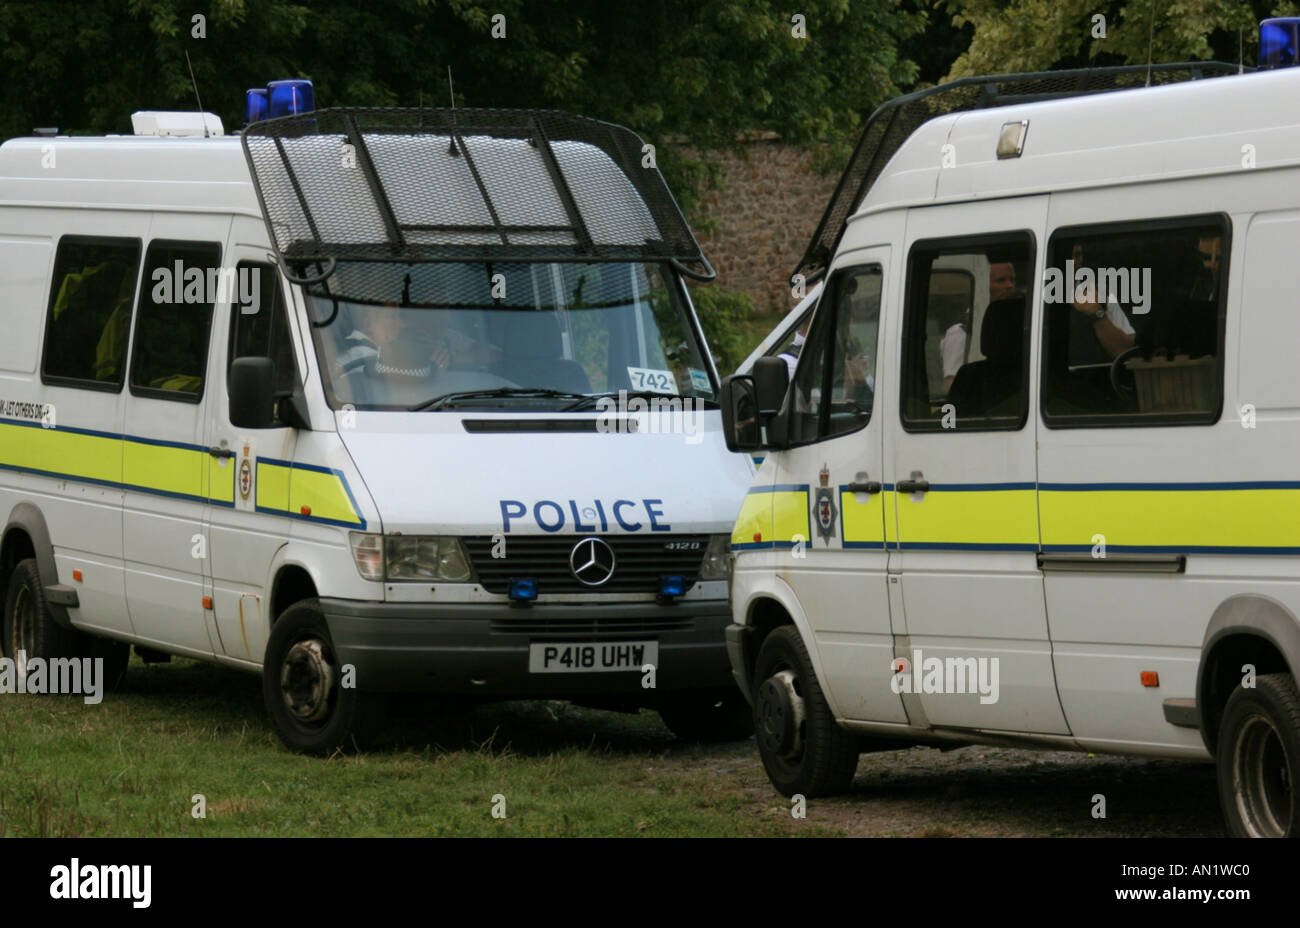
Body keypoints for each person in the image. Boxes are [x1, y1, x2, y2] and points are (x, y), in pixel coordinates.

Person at [940, 261, 1016, 393]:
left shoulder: (1017, 323)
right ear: (984, 285)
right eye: (1001, 280)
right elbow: (950, 386)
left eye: (1012, 280)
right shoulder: (960, 333)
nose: (1009, 285)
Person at [1066, 243, 1136, 361]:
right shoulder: (1036, 297)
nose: (1072, 261)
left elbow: (1126, 353)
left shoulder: (1100, 292)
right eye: (1067, 256)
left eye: (1077, 255)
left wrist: (1098, 314)